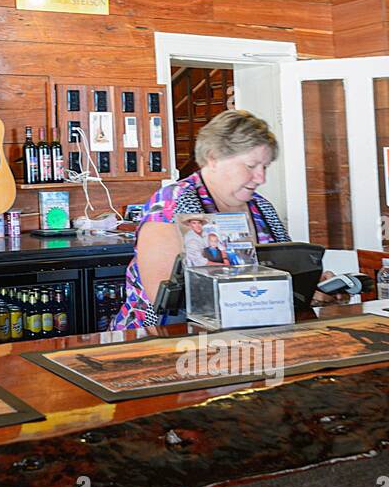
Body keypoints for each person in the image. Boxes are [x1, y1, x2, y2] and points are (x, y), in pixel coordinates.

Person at [112, 110, 295, 330]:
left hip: (249, 337)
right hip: (163, 341)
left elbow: (285, 269)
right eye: (250, 166)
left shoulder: (261, 206)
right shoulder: (173, 203)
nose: (261, 178)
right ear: (213, 158)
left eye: (264, 167)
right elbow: (164, 302)